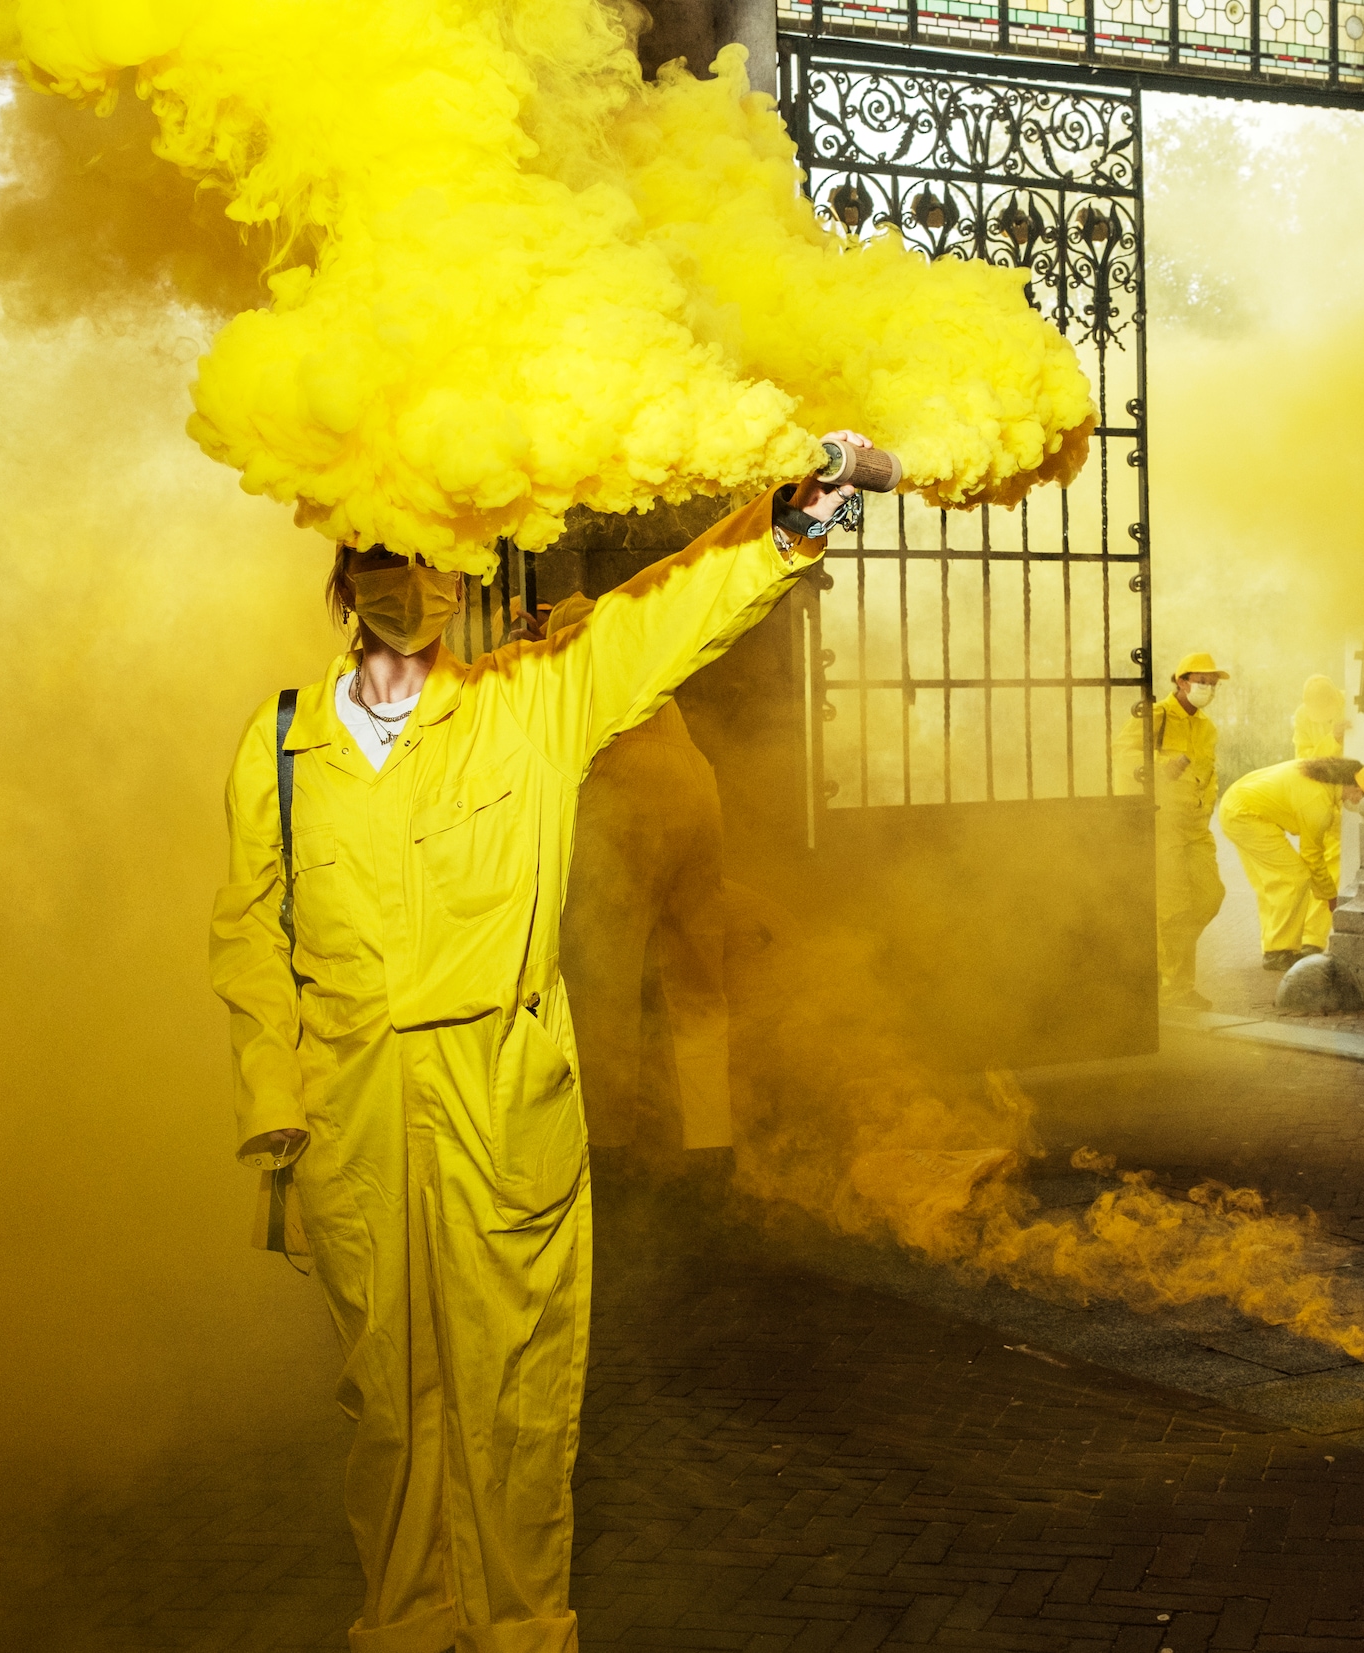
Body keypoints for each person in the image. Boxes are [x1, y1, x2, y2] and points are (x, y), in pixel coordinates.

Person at [210, 436, 871, 1653]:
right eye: (384, 562)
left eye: (436, 566)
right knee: (385, 1399)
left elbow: (650, 625)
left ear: (462, 583)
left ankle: (519, 1631)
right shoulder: (282, 741)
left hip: (498, 1087)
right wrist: (275, 1094)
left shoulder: (528, 703)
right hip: (350, 1104)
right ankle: (405, 1626)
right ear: (344, 578)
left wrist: (784, 519)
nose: (414, 587)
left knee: (513, 1384)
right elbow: (251, 933)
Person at [547, 592, 733, 1176]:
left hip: (621, 786)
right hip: (693, 781)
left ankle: (605, 1146)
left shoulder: (569, 660)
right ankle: (712, 1139)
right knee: (698, 976)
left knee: (605, 982)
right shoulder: (632, 642)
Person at [1218, 755, 1364, 972]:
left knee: (1275, 883)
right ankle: (1278, 952)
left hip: (1238, 805)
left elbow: (1331, 829)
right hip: (1244, 815)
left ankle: (1275, 946)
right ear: (1356, 788)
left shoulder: (1322, 781)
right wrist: (1329, 896)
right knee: (1293, 877)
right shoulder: (1318, 803)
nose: (1360, 803)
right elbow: (1312, 857)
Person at [1139, 652, 1228, 1011]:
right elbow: (1121, 754)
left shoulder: (1206, 726)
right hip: (1164, 826)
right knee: (1174, 907)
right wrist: (1162, 766)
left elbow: (1208, 770)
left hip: (1196, 828)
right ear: (1181, 681)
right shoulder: (1156, 716)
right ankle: (1174, 987)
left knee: (1210, 897)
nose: (1207, 687)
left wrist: (1208, 805)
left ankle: (1160, 962)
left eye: (1212, 682)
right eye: (1200, 680)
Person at [1292, 674, 1350, 759]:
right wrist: (1333, 739)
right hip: (1319, 771)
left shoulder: (1353, 704)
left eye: (1325, 708)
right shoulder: (1302, 716)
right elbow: (1302, 758)